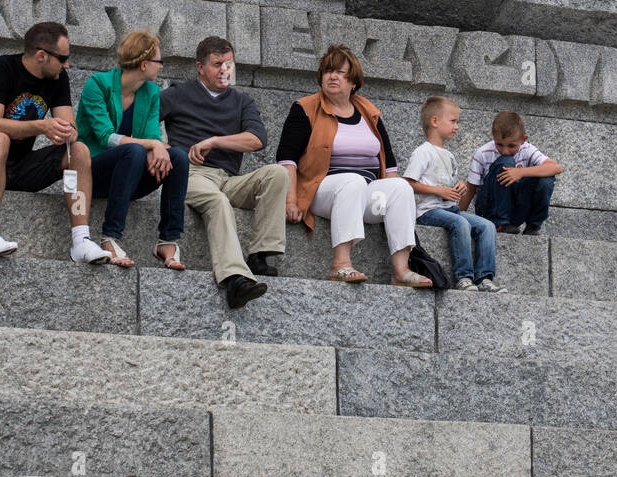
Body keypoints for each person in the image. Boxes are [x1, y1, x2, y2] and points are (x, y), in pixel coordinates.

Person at [0, 20, 108, 263]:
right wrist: (42, 126)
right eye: (63, 58)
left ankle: (81, 241)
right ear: (42, 55)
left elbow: (69, 125)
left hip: (18, 170)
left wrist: (67, 132)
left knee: (79, 150)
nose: (67, 64)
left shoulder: (57, 79)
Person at [276, 44, 430, 287]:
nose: (333, 76)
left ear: (353, 82)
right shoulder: (305, 108)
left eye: (341, 72)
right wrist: (290, 201)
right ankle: (341, 264)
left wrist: (396, 202)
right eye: (328, 71)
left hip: (363, 195)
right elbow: (287, 159)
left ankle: (400, 271)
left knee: (400, 187)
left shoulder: (369, 113)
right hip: (321, 191)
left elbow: (388, 164)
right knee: (352, 181)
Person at [159, 36, 287, 311]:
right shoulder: (177, 94)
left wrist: (215, 141)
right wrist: (165, 149)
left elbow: (257, 140)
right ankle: (234, 280)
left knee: (276, 174)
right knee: (217, 201)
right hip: (190, 174)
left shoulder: (242, 101)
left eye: (229, 64)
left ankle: (259, 255)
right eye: (217, 64)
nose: (224, 70)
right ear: (200, 66)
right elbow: (141, 122)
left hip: (227, 178)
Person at [75, 30, 189, 268]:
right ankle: (110, 237)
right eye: (159, 61)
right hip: (92, 173)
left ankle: (167, 240)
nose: (161, 67)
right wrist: (154, 144)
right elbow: (105, 137)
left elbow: (150, 136)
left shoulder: (151, 92)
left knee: (178, 156)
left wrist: (155, 145)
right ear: (144, 64)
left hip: (129, 175)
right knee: (134, 151)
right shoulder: (98, 84)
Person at [404, 96, 504, 292]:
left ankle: (485, 277)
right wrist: (437, 191)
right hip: (428, 211)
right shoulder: (422, 152)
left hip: (449, 208)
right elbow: (408, 183)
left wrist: (459, 186)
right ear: (435, 121)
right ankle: (464, 277)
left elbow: (449, 182)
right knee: (461, 223)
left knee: (487, 226)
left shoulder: (449, 155)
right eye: (453, 121)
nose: (456, 126)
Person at [463, 110, 562, 236]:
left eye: (511, 146)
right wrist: (458, 216)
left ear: (523, 140)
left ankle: (533, 224)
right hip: (488, 209)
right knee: (506, 162)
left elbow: (556, 167)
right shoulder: (482, 153)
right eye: (499, 144)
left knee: (546, 179)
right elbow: (470, 188)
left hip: (515, 211)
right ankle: (499, 222)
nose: (505, 150)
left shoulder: (527, 149)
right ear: (493, 137)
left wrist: (520, 172)